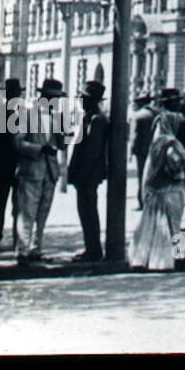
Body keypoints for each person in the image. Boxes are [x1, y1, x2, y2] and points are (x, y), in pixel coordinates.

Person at [14, 78, 67, 265]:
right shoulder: (27, 114)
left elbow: (62, 145)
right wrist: (39, 149)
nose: (55, 102)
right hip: (31, 170)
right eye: (52, 98)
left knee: (42, 213)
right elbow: (18, 143)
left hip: (49, 172)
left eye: (57, 99)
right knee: (27, 211)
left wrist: (62, 134)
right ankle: (22, 251)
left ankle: (36, 248)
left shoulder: (56, 117)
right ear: (43, 96)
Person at [130, 110, 185, 271]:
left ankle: (144, 258)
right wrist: (184, 166)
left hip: (156, 190)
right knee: (175, 226)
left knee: (152, 226)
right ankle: (177, 257)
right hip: (172, 190)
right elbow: (177, 164)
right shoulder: (172, 144)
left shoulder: (156, 143)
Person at [67, 80, 111, 262]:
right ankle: (91, 248)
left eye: (84, 99)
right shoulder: (89, 118)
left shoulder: (97, 120)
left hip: (88, 175)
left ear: (92, 101)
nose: (81, 101)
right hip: (86, 174)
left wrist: (80, 176)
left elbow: (91, 151)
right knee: (85, 211)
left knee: (88, 212)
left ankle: (93, 250)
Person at [0, 78, 23, 250]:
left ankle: (9, 238)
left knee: (5, 204)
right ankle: (13, 239)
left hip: (7, 164)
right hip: (9, 163)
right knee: (8, 204)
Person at [129, 92, 157, 209]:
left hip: (142, 152)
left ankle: (142, 201)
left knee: (142, 176)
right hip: (156, 150)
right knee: (154, 175)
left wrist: (131, 151)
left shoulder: (138, 116)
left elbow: (134, 135)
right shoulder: (157, 114)